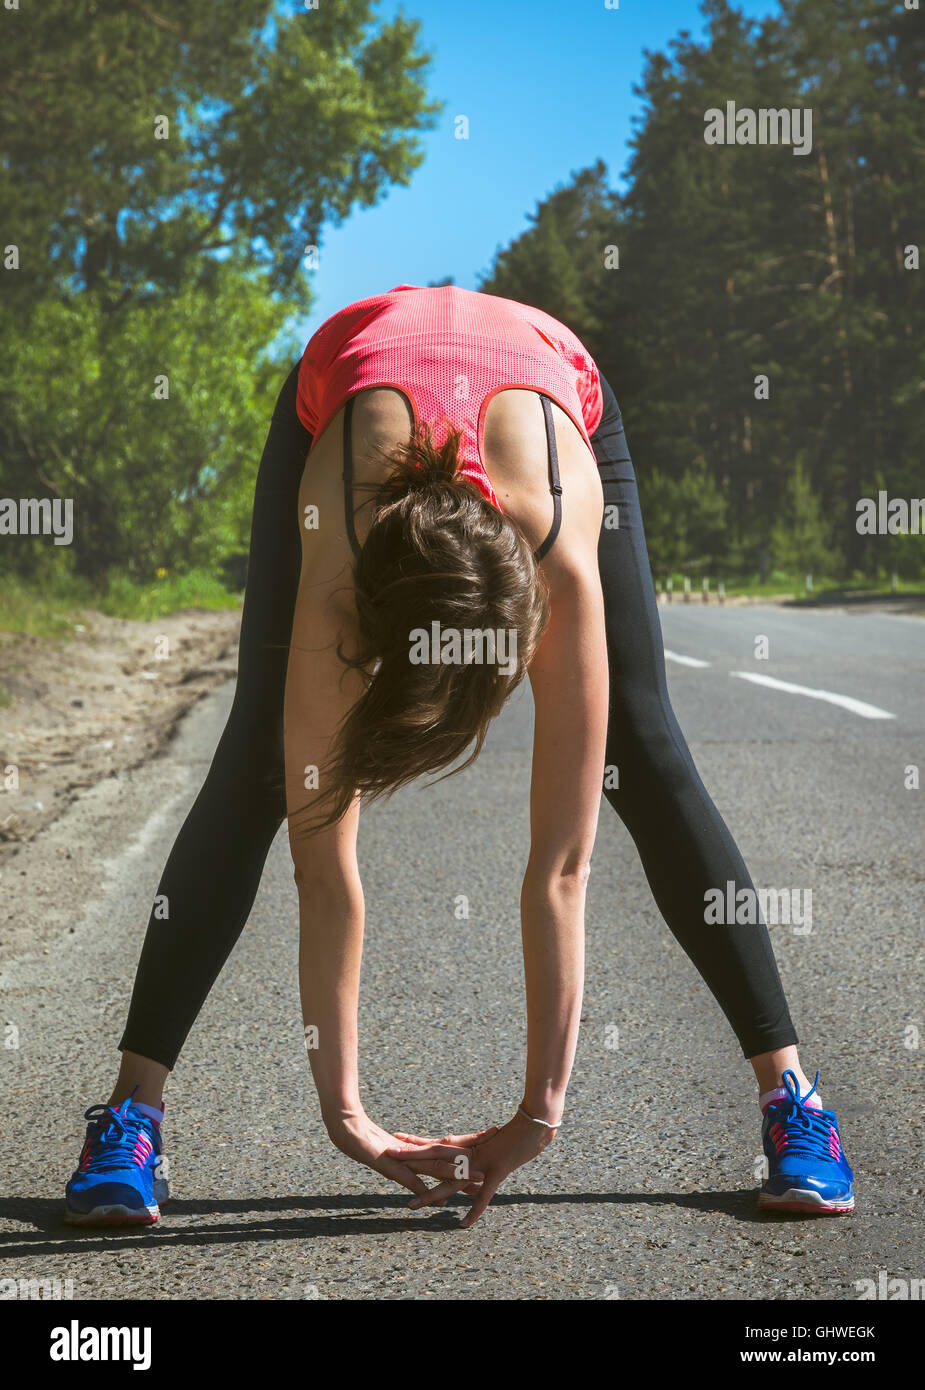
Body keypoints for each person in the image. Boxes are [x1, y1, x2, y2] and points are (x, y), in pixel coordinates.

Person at [64, 284, 854, 1228]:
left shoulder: (560, 547)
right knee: (261, 763)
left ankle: (794, 1102)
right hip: (350, 372)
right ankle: (130, 1117)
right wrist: (348, 1118)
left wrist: (538, 1116)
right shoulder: (341, 560)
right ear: (368, 631)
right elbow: (325, 869)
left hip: (550, 375)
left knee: (640, 746)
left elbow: (562, 869)